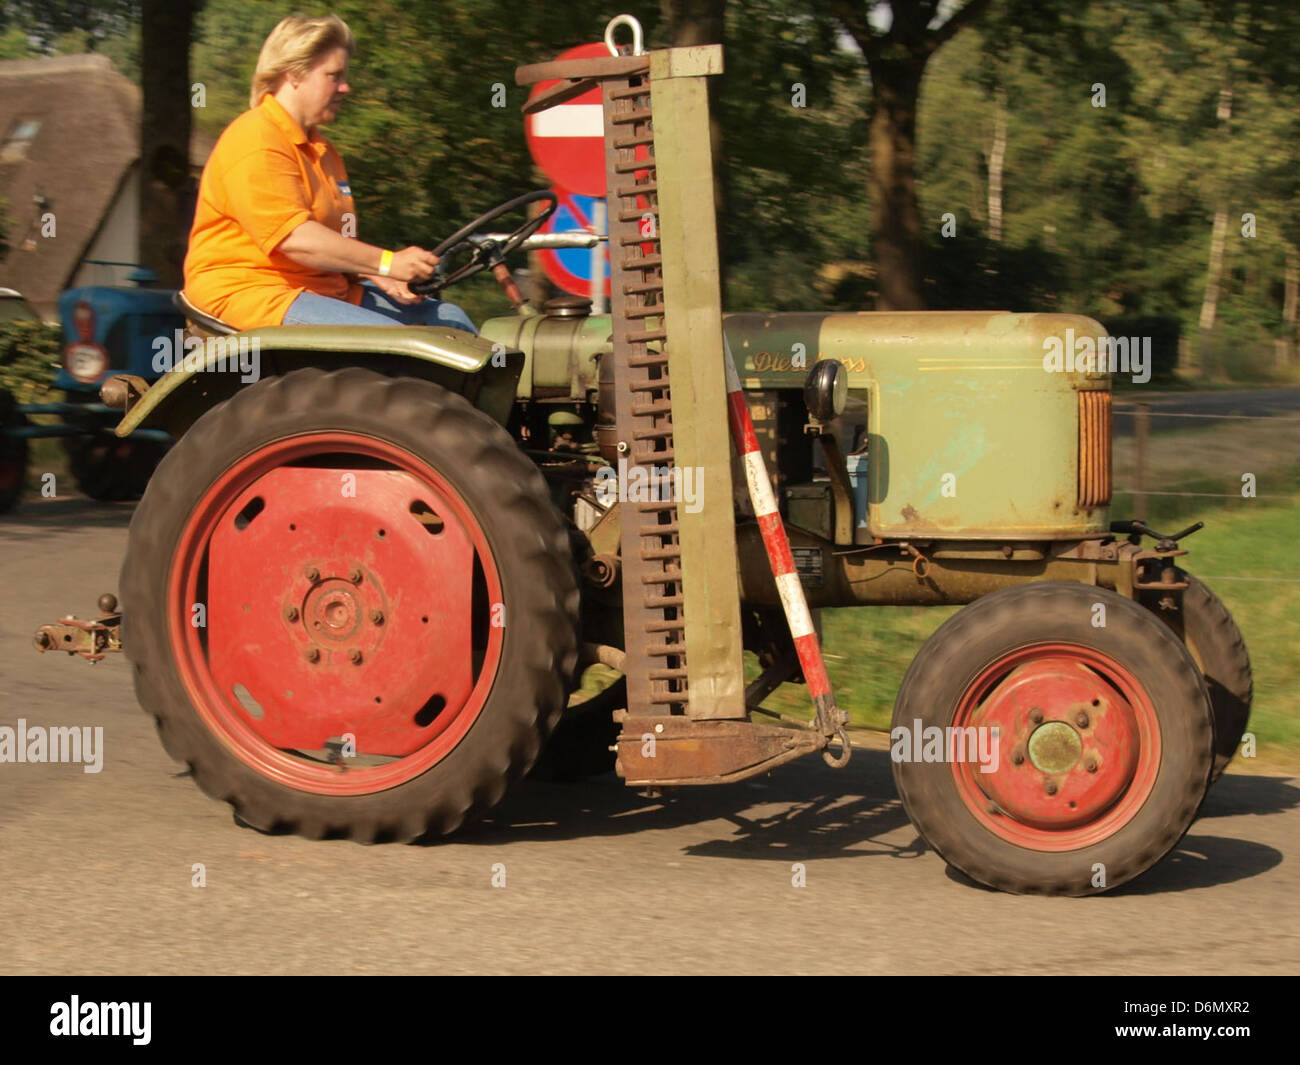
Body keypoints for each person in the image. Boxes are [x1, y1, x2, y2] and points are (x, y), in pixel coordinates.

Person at [182, 14, 474, 333]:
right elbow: (296, 240)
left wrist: (378, 275)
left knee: (450, 323)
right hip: (255, 293)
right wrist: (388, 262)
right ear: (294, 73)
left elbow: (336, 243)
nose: (346, 88)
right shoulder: (256, 138)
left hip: (324, 290)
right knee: (400, 346)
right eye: (334, 76)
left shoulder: (323, 150)